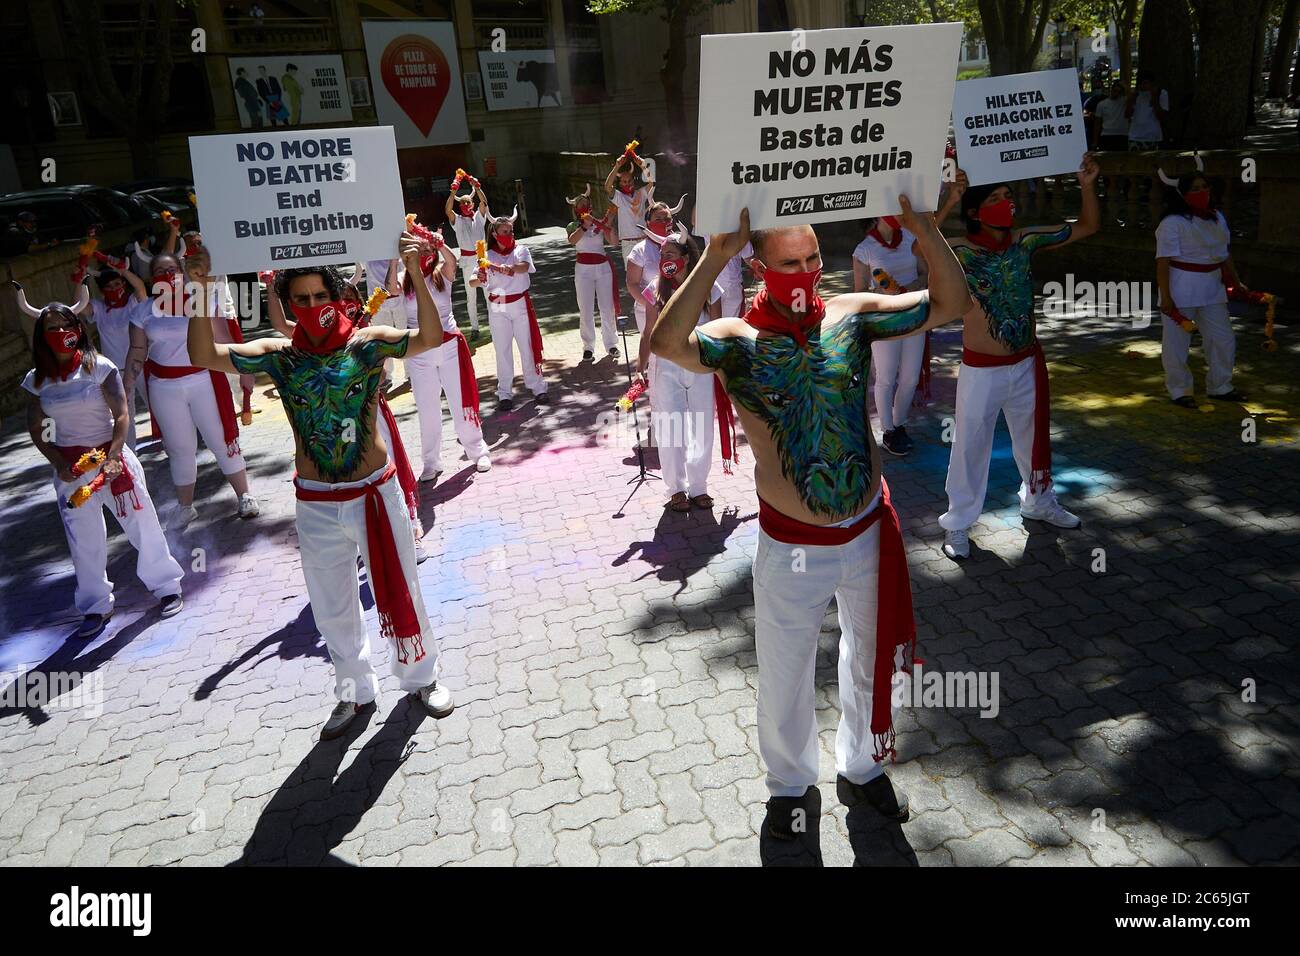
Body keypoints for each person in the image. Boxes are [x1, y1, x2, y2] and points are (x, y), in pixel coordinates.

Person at [650, 199, 974, 853]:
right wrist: (713, 255)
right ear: (762, 267)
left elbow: (951, 304)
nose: (805, 272)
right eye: (789, 263)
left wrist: (926, 230)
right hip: (792, 547)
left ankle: (862, 769)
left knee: (867, 660)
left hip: (866, 533)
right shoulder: (739, 342)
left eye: (814, 259)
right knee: (787, 672)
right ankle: (790, 791)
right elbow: (665, 343)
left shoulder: (851, 320)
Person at [187, 233, 456, 738]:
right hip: (315, 504)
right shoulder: (277, 356)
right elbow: (203, 353)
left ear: (336, 297)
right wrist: (200, 288)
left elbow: (430, 339)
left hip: (376, 492)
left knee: (402, 587)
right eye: (301, 300)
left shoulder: (370, 345)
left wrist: (417, 272)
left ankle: (422, 678)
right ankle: (354, 693)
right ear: (288, 306)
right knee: (332, 605)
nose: (313, 307)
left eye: (320, 297)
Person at [934, 155, 1101, 561]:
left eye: (1009, 195)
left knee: (1033, 440)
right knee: (970, 447)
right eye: (995, 197)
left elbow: (1088, 227)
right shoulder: (958, 250)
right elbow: (922, 247)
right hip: (981, 370)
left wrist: (1086, 183)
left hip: (1026, 363)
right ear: (976, 211)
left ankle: (1039, 501)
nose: (1006, 202)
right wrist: (950, 199)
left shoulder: (1026, 240)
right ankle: (957, 524)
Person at [15, 279, 184, 639]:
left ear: (78, 329)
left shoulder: (100, 366)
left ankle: (167, 587)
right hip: (70, 471)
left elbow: (122, 414)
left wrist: (113, 456)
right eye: (52, 328)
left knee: (143, 525)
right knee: (83, 540)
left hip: (113, 459)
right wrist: (56, 460)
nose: (60, 332)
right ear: (41, 335)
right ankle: (95, 607)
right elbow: (36, 426)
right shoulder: (36, 380)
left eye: (66, 325)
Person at [126, 253, 259, 528]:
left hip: (203, 380)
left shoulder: (203, 300)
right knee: (180, 448)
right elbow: (137, 350)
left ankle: (245, 496)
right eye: (160, 270)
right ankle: (185, 507)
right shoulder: (142, 311)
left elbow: (224, 340)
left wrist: (245, 372)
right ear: (152, 278)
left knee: (221, 440)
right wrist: (126, 383)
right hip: (163, 387)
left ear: (182, 272)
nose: (167, 274)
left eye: (172, 269)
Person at [637, 222, 732, 512]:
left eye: (672, 252)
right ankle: (676, 489)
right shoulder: (655, 288)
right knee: (670, 427)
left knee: (702, 426)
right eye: (662, 252)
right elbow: (649, 331)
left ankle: (699, 487)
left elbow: (717, 328)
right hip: (666, 366)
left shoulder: (708, 285)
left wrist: (722, 366)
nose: (666, 258)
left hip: (700, 364)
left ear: (687, 257)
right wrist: (641, 367)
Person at [399, 222, 492, 480]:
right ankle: (431, 462)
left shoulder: (442, 272)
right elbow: (390, 288)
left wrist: (439, 242)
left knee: (460, 402)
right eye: (420, 247)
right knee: (427, 409)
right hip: (419, 352)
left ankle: (477, 450)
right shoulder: (403, 278)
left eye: (428, 247)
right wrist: (397, 258)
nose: (425, 250)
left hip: (449, 345)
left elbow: (454, 260)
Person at [1155, 172, 1248, 406]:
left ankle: (1220, 386)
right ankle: (1180, 390)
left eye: (1204, 187)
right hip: (1181, 287)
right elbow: (1163, 262)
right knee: (1177, 344)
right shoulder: (1172, 223)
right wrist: (1166, 297)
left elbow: (1224, 254)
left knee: (1223, 338)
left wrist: (1236, 282)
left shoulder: (1216, 217)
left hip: (1212, 287)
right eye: (1194, 188)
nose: (1201, 192)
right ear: (1182, 193)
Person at [852, 215, 927, 456]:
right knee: (885, 377)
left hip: (914, 314)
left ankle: (900, 422)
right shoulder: (864, 250)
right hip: (885, 321)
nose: (898, 215)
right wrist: (883, 294)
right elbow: (859, 293)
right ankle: (888, 431)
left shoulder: (911, 238)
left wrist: (909, 290)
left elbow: (928, 273)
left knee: (911, 377)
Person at [184, 245, 259, 425]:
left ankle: (244, 402)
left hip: (224, 314)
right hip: (200, 317)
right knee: (209, 363)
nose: (197, 244)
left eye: (199, 241)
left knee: (233, 360)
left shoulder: (217, 259)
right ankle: (222, 407)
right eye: (191, 241)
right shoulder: (184, 266)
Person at [481, 207, 547, 410]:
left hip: (519, 302)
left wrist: (509, 268)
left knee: (526, 346)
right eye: (504, 231)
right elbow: (475, 279)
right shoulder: (486, 253)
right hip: (499, 302)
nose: (509, 234)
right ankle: (504, 393)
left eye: (510, 231)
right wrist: (480, 278)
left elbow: (524, 267)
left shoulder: (521, 250)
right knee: (502, 350)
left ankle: (537, 387)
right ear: (494, 234)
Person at [85, 261, 150, 450]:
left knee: (157, 406)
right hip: (116, 371)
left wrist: (121, 269)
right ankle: (129, 453)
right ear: (102, 290)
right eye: (110, 286)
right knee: (123, 413)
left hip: (142, 363)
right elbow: (80, 306)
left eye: (118, 283)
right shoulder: (98, 307)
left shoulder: (133, 302)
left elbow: (139, 287)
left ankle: (173, 441)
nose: (116, 288)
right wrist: (80, 277)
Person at [565, 184, 620, 360]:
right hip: (583, 270)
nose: (583, 207)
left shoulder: (598, 223)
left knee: (606, 307)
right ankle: (588, 346)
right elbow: (572, 241)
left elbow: (613, 243)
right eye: (579, 205)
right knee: (586, 309)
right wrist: (584, 226)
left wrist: (609, 227)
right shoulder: (573, 225)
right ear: (575, 209)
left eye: (585, 204)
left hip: (603, 268)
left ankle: (611, 344)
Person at [444, 174, 489, 339]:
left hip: (482, 260)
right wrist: (452, 192)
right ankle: (475, 328)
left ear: (472, 203)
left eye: (467, 201)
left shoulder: (479, 216)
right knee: (471, 297)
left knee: (488, 293)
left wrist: (476, 187)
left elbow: (484, 202)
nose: (465, 204)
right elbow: (448, 210)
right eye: (462, 202)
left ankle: (496, 323)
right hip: (468, 262)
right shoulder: (458, 220)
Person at [605, 146, 655, 265]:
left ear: (634, 180)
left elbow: (652, 183)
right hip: (628, 244)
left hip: (643, 240)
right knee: (632, 279)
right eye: (624, 182)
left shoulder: (641, 193)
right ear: (620, 183)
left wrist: (643, 165)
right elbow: (607, 187)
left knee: (647, 274)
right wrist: (617, 166)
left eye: (630, 181)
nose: (627, 184)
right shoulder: (619, 197)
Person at [361, 257, 403, 388]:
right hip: (378, 301)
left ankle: (411, 372)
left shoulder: (397, 254)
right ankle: (386, 375)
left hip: (400, 298)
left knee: (405, 334)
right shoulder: (367, 256)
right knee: (382, 341)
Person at [1126, 70, 1169, 150]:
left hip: (1153, 137)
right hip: (1135, 136)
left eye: (1146, 83)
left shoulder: (1161, 93)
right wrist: (1132, 99)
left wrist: (1154, 97)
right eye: (1142, 83)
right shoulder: (1135, 94)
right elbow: (1127, 114)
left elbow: (1162, 117)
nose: (1144, 85)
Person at [1093, 81, 1129, 152]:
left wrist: (1126, 87)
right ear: (1111, 90)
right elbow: (1097, 124)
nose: (1116, 93)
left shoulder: (1125, 101)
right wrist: (1095, 142)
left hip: (1122, 135)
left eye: (1119, 92)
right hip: (1107, 135)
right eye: (1115, 90)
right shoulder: (1102, 104)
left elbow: (1132, 96)